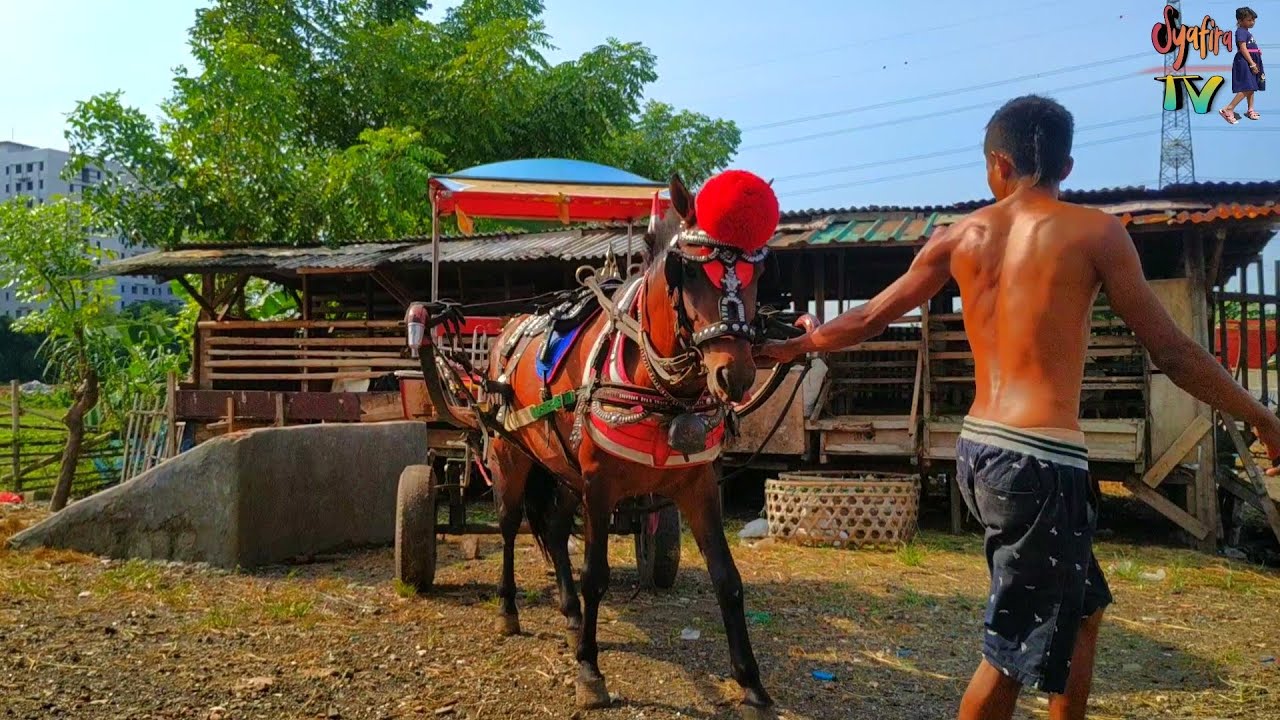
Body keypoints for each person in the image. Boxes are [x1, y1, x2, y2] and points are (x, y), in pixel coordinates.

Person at [758, 94, 1280, 720]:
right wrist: (1262, 415)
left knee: (1083, 609)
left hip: (981, 452)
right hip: (1039, 462)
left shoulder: (959, 237)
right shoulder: (1096, 231)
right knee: (1009, 655)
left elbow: (869, 316)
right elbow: (1172, 353)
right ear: (1069, 165)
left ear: (998, 164)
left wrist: (793, 346)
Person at [1221, 6, 1265, 124]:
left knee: (1252, 86)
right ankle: (1229, 108)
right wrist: (1251, 63)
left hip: (1251, 60)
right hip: (1245, 62)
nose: (1252, 22)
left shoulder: (1246, 32)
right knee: (1248, 86)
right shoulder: (1240, 31)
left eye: (1253, 20)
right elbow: (1243, 48)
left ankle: (1250, 110)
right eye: (1249, 20)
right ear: (1240, 21)